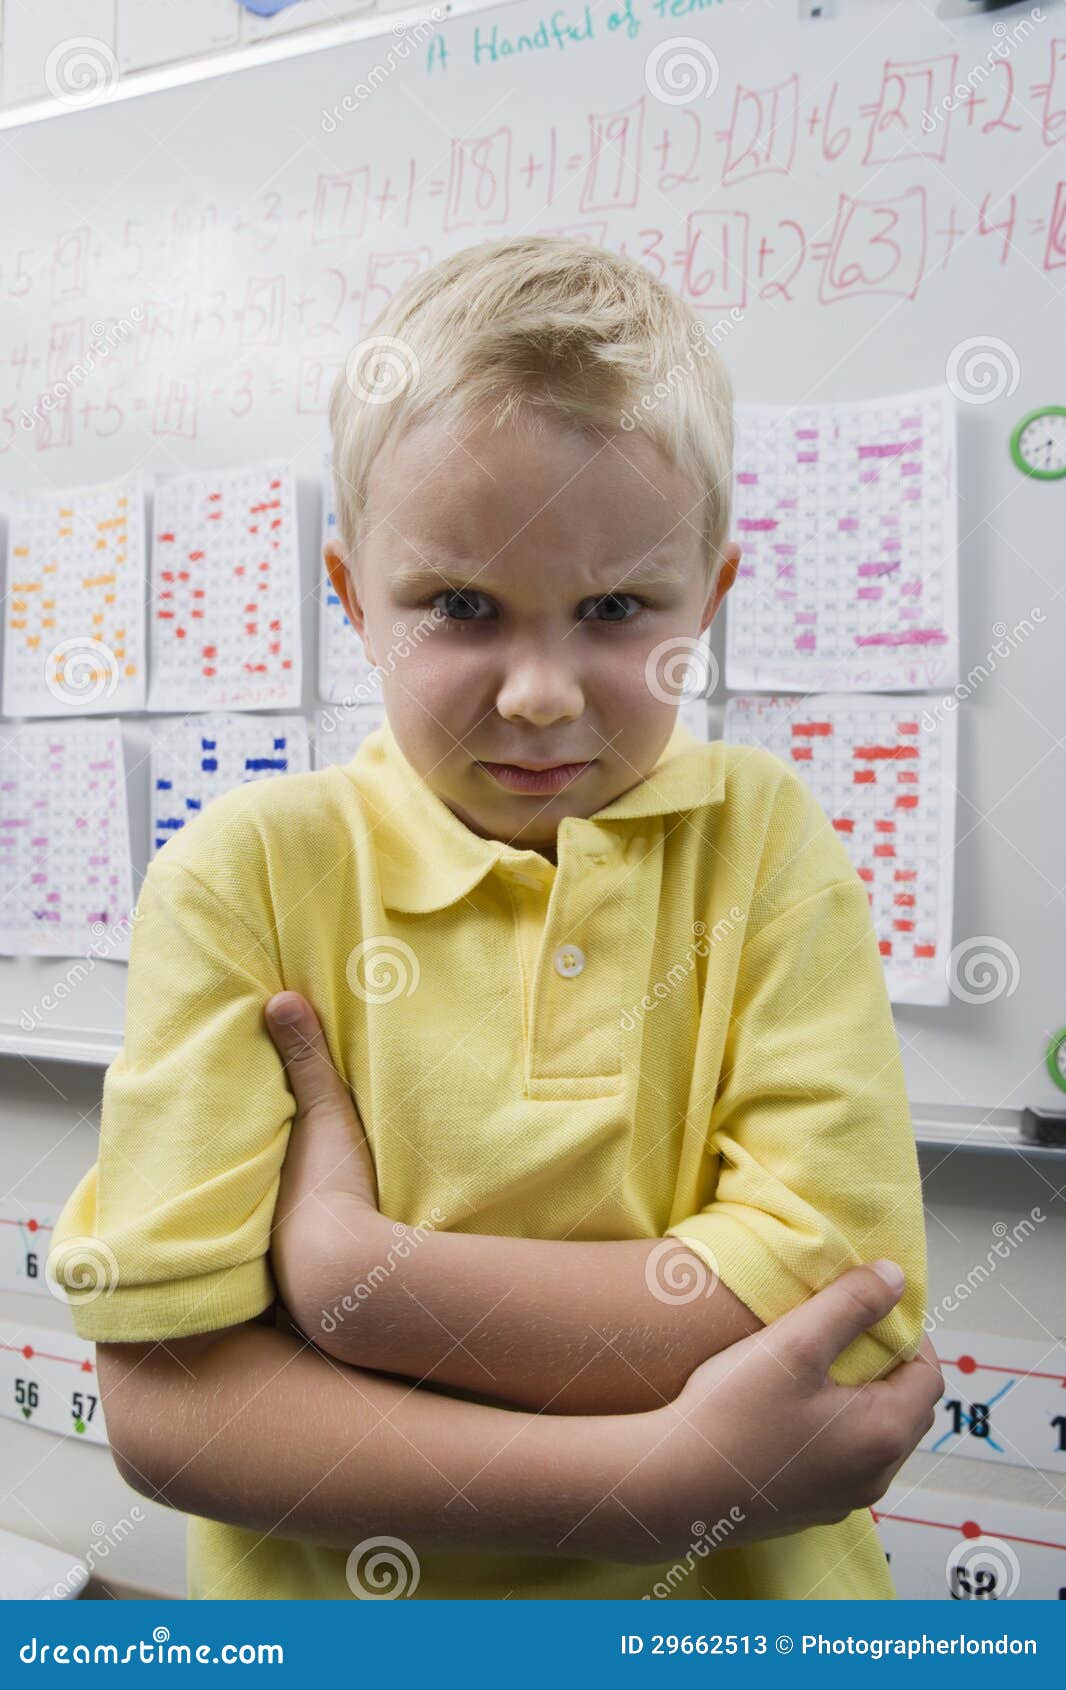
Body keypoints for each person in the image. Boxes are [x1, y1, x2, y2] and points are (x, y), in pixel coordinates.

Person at [49, 235, 940, 1599]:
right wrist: (655, 1483)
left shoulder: (762, 840)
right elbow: (174, 1411)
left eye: (614, 608)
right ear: (353, 598)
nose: (537, 691)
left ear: (708, 602)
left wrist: (361, 1282)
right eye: (460, 605)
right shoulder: (251, 874)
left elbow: (837, 1315)